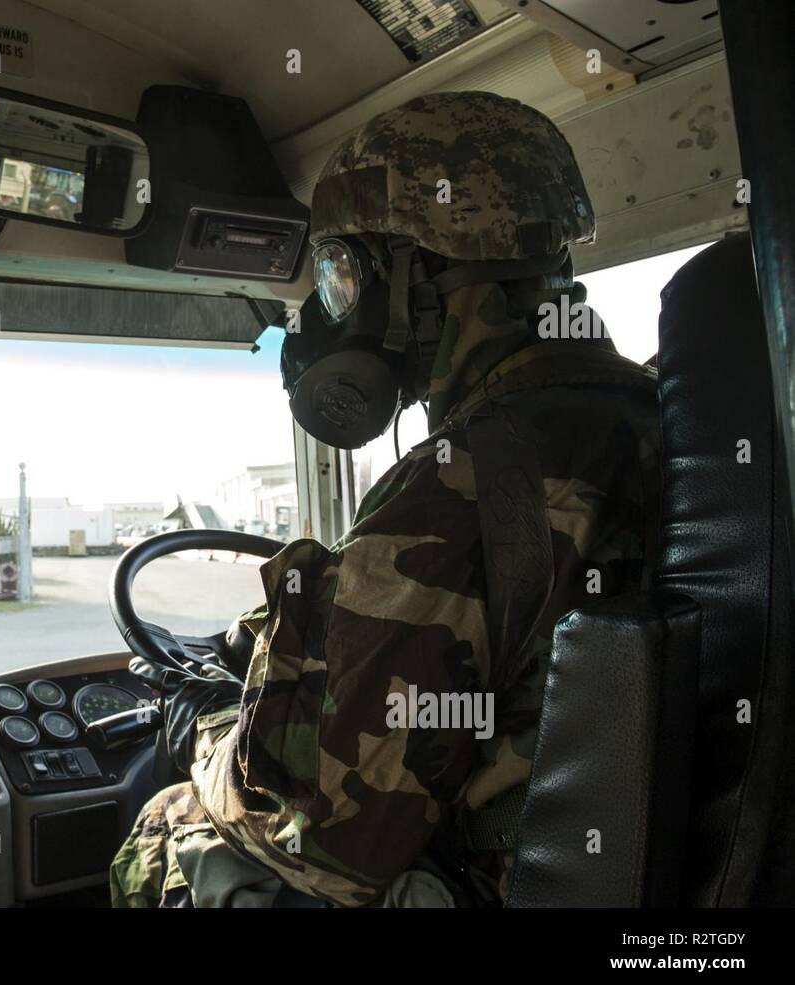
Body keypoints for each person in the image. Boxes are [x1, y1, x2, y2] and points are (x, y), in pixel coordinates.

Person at [109, 90, 661, 908]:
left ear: (420, 278)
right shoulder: (652, 412)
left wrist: (211, 731)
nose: (336, 311)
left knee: (157, 825)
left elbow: (338, 841)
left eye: (341, 274)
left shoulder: (462, 483)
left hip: (488, 883)